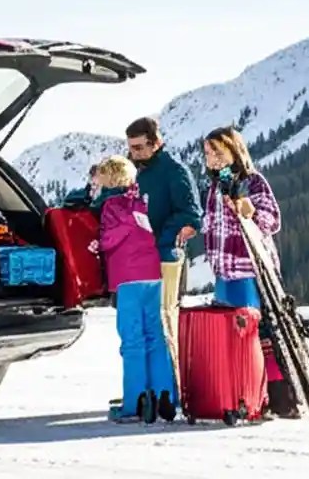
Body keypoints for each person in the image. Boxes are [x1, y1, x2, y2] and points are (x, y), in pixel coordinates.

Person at [200, 125, 298, 419]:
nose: (212, 158)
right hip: (224, 273)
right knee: (232, 337)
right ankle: (241, 391)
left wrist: (250, 210)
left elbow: (272, 219)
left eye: (218, 151)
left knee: (258, 334)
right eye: (207, 153)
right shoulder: (216, 187)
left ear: (234, 150)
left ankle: (276, 396)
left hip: (249, 271)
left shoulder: (252, 181)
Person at [124, 117, 201, 413]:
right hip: (138, 262)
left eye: (141, 147)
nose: (135, 153)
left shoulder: (174, 171)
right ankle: (149, 391)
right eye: (131, 148)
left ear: (157, 143)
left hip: (166, 257)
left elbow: (190, 215)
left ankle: (175, 391)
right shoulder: (137, 173)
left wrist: (159, 240)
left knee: (164, 320)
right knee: (143, 324)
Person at [90, 155, 175, 424]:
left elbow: (110, 237)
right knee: (155, 335)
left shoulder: (111, 206)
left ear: (110, 179)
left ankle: (135, 402)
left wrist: (97, 244)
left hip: (127, 277)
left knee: (133, 339)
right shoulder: (141, 201)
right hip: (152, 273)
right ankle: (164, 396)